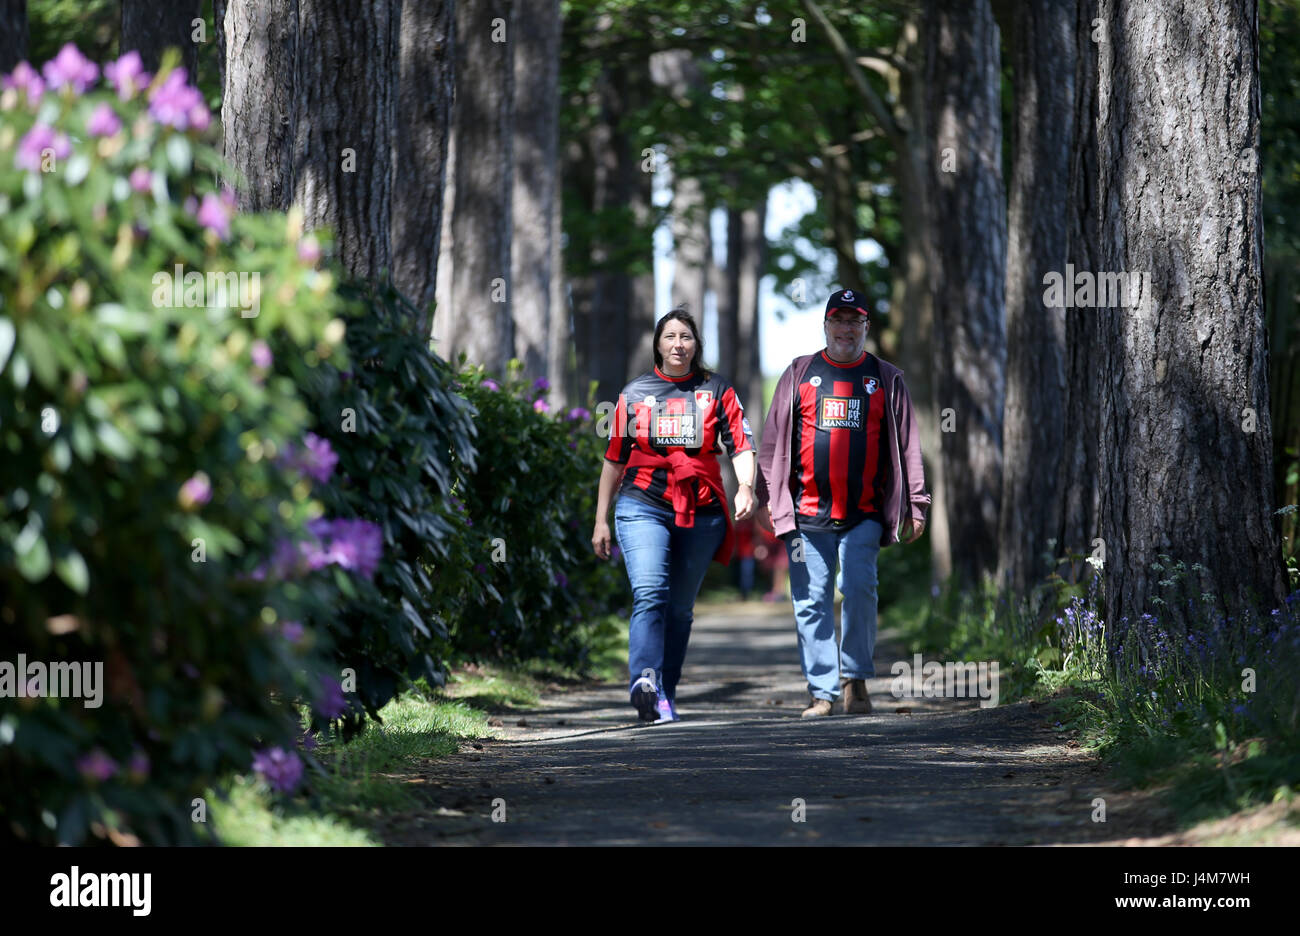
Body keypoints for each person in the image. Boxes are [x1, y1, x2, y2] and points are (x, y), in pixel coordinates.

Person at [755, 288, 930, 717]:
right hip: (806, 513)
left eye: (855, 321)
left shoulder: (885, 378)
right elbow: (772, 439)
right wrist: (765, 496)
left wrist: (916, 504)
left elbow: (908, 445)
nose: (846, 329)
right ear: (826, 325)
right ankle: (822, 692)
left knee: (859, 587)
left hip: (864, 512)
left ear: (866, 327)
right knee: (810, 599)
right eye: (839, 320)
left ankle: (855, 680)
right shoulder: (799, 373)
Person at [592, 307, 757, 723]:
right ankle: (644, 682)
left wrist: (746, 487)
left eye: (686, 337)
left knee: (680, 609)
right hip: (642, 503)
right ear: (658, 345)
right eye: (670, 337)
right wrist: (599, 519)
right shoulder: (634, 393)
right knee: (651, 592)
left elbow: (740, 444)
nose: (678, 344)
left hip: (701, 510)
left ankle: (665, 691)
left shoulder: (716, 389)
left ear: (696, 344)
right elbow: (614, 459)